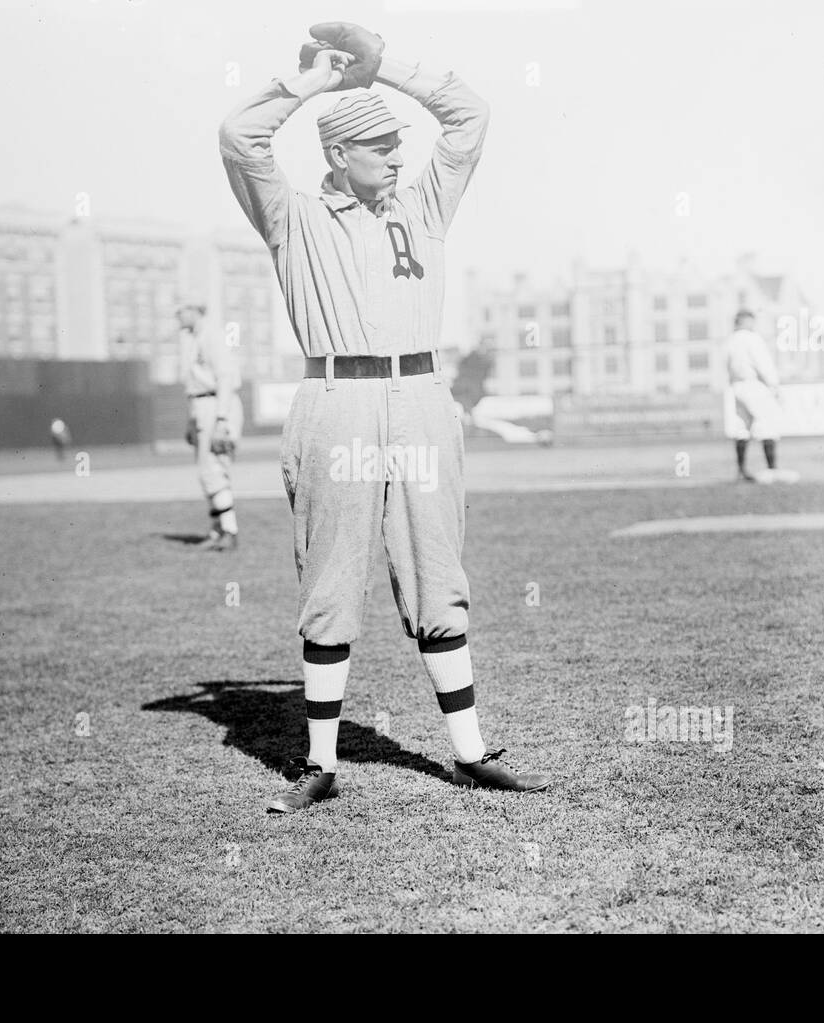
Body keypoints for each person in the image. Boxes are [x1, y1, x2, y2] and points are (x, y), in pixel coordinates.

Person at [220, 21, 551, 813]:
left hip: (421, 400)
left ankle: (470, 754)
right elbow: (239, 135)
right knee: (333, 581)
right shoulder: (291, 217)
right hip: (336, 400)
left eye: (397, 145)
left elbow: (469, 114)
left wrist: (384, 70)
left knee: (439, 574)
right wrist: (317, 85)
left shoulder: (424, 205)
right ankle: (321, 763)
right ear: (337, 153)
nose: (398, 157)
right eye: (379, 147)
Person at [177, 296, 242, 551]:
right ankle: (218, 530)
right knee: (207, 472)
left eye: (181, 310)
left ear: (195, 310)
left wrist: (222, 419)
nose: (178, 316)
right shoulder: (194, 338)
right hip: (202, 405)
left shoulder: (212, 336)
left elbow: (225, 377)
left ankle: (229, 530)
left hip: (217, 404)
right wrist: (191, 421)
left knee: (215, 469)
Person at [724, 309, 782, 482]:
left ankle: (741, 470)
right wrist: (773, 385)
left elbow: (727, 366)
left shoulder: (730, 341)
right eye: (751, 321)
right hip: (753, 384)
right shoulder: (751, 338)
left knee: (742, 428)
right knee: (767, 424)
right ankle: (771, 469)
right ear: (744, 321)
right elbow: (762, 363)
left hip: (737, 386)